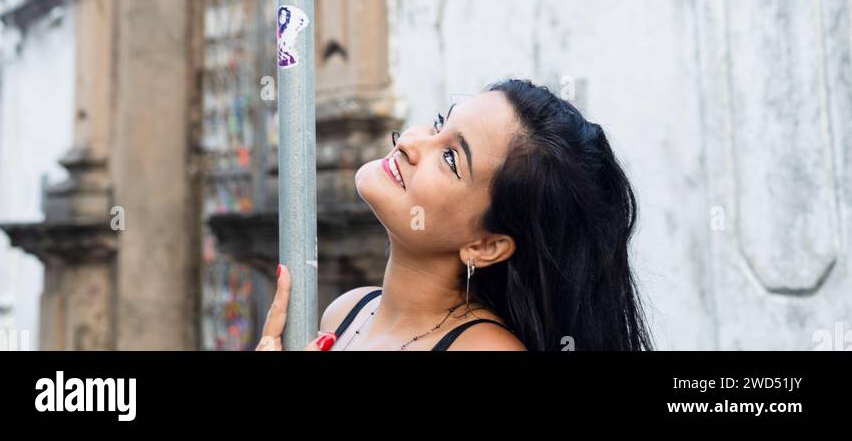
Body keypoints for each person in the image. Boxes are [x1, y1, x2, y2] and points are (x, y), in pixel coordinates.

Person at [255, 78, 654, 352]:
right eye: (439, 123)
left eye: (450, 157)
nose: (411, 142)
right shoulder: (347, 312)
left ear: (486, 245)